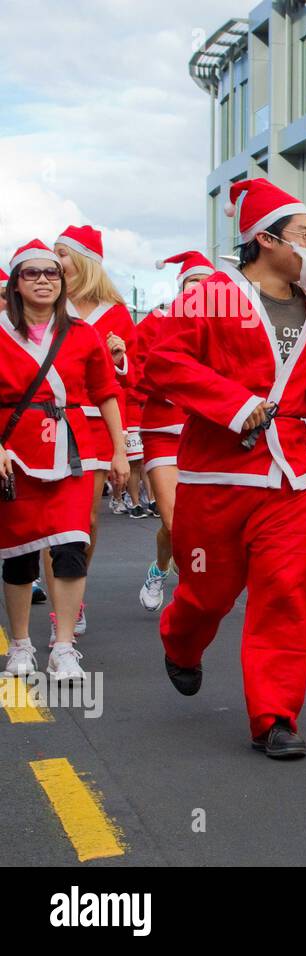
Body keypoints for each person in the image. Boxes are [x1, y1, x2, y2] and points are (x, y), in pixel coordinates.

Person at [145, 178, 306, 758]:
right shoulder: (213, 293)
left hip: (290, 478)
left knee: (284, 593)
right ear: (266, 238)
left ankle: (275, 715)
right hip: (217, 480)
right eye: (304, 235)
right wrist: (233, 405)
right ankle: (181, 641)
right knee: (208, 592)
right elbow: (164, 362)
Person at [1, 241, 128, 682]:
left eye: (51, 273)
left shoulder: (82, 333)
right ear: (16, 283)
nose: (42, 280)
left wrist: (119, 450)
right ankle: (20, 645)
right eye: (31, 273)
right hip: (15, 454)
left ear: (62, 281)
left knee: (71, 546)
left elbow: (106, 392)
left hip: (72, 453)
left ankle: (63, 646)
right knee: (19, 554)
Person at [52, 225, 134, 641]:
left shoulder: (115, 312)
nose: (56, 262)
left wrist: (119, 357)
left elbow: (129, 379)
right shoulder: (47, 303)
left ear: (82, 261)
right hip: (50, 421)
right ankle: (59, 612)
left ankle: (74, 595)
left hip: (96, 426)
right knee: (55, 521)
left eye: (63, 254)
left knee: (86, 521)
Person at [136, 251, 216, 612]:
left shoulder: (225, 328)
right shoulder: (155, 323)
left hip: (204, 434)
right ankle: (185, 588)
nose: (198, 290)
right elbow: (135, 376)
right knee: (173, 520)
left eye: (205, 284)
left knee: (195, 523)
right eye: (192, 284)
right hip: (162, 432)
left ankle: (162, 568)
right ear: (180, 288)